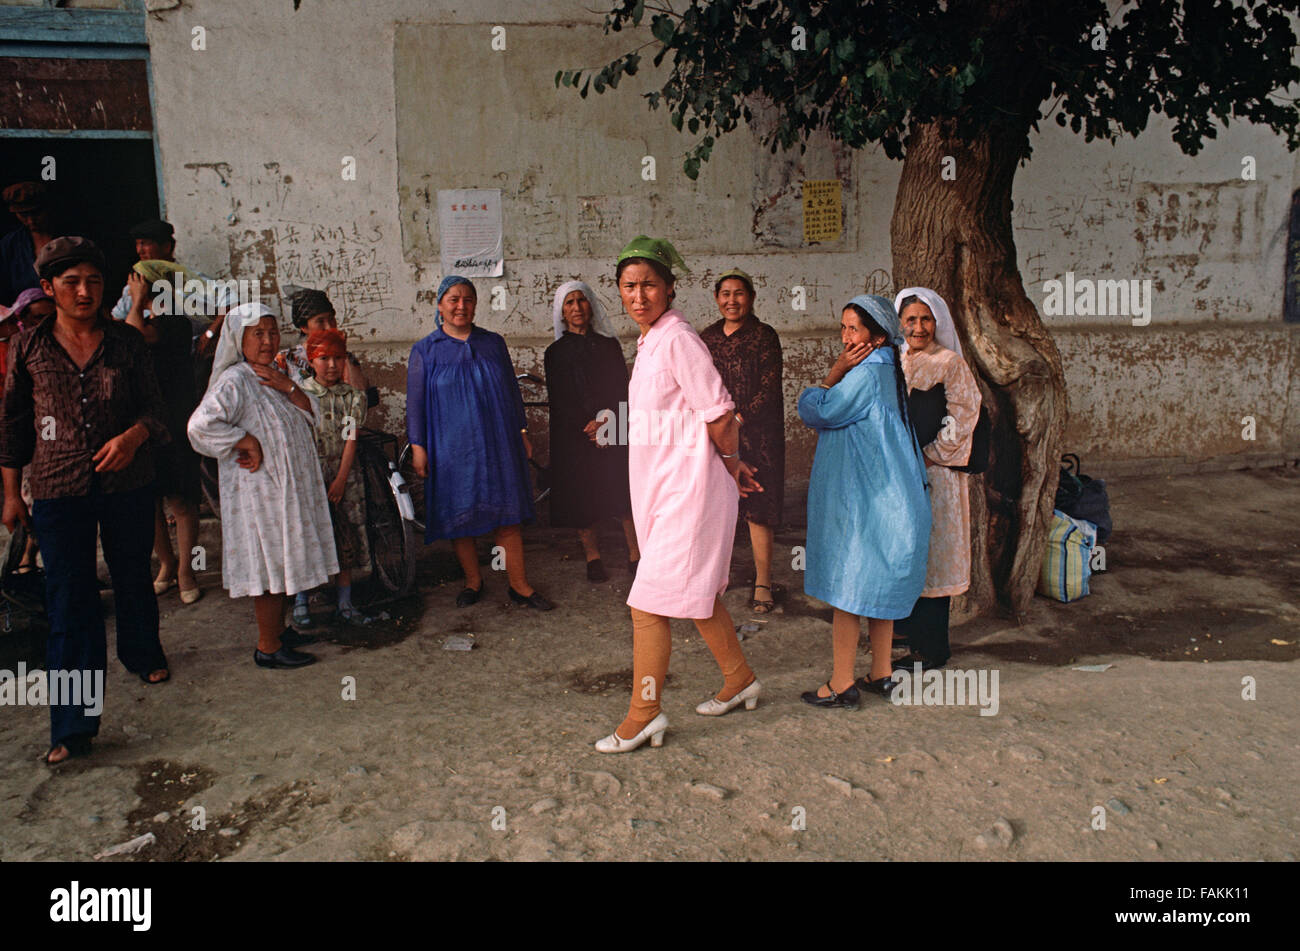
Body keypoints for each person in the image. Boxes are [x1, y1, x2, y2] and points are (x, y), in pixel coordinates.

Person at [0, 237, 170, 765]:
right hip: (57, 488)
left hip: (128, 484)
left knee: (132, 575)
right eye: (71, 282)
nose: (84, 291)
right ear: (48, 288)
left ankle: (141, 652)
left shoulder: (127, 343)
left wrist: (133, 438)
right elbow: (12, 425)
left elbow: (157, 412)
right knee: (70, 602)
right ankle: (73, 725)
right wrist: (11, 494)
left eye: (94, 281)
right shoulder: (28, 348)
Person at [595, 236, 763, 754]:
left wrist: (731, 466)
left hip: (688, 492)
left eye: (649, 284)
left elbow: (719, 414)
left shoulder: (679, 340)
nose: (638, 295)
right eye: (629, 286)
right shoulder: (650, 341)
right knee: (695, 595)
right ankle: (740, 680)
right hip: (665, 488)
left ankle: (644, 713)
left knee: (647, 603)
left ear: (670, 287)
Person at [796, 294, 931, 709]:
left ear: (875, 337)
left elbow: (817, 411)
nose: (845, 337)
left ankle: (841, 683)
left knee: (848, 589)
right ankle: (882, 672)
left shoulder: (862, 376)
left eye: (853, 329)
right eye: (842, 328)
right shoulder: (889, 370)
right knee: (877, 587)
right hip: (893, 499)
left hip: (866, 502)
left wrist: (832, 373)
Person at [187, 301, 339, 669]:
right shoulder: (235, 380)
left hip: (284, 494)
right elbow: (199, 427)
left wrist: (289, 387)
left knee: (283, 564)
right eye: (258, 333)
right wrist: (245, 441)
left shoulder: (272, 374)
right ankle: (268, 647)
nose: (268, 340)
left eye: (272, 332)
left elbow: (312, 416)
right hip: (261, 496)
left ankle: (279, 630)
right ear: (239, 338)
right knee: (269, 568)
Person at [406, 276, 553, 610]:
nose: (461, 306)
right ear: (439, 304)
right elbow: (415, 403)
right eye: (454, 299)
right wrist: (418, 446)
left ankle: (520, 585)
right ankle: (473, 581)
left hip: (497, 443)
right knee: (462, 516)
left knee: (508, 514)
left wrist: (523, 432)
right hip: (451, 448)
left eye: (468, 299)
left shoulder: (493, 343)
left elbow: (512, 394)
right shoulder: (425, 351)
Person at [893, 287, 982, 670]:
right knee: (906, 550)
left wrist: (930, 455)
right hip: (898, 475)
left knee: (935, 555)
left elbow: (964, 415)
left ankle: (932, 650)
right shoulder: (892, 360)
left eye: (925, 319)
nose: (918, 327)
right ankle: (905, 633)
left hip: (936, 477)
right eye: (910, 320)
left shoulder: (949, 364)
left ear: (937, 323)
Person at [700, 268, 786, 613]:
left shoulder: (765, 336)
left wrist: (737, 419)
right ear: (717, 299)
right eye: (725, 294)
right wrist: (717, 425)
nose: (731, 300)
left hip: (759, 433)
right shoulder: (707, 338)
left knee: (757, 506)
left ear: (750, 298)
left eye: (738, 294)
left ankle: (763, 581)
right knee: (714, 503)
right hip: (718, 433)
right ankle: (710, 578)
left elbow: (769, 387)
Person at [542, 281, 639, 582]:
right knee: (582, 497)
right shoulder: (555, 353)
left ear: (590, 306)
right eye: (569, 303)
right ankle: (593, 556)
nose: (576, 308)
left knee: (623, 492)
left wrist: (607, 423)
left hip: (612, 428)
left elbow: (622, 389)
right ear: (562, 312)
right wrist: (588, 428)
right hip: (576, 436)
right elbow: (560, 398)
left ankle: (636, 553)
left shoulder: (608, 345)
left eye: (581, 301)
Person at [123, 261, 205, 605]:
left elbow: (131, 337)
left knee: (181, 499)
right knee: (150, 498)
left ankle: (187, 568)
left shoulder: (172, 321)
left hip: (173, 418)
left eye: (138, 282)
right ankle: (167, 565)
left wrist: (137, 302)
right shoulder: (139, 319)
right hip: (141, 419)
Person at [295, 327, 372, 626]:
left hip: (346, 476)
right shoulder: (299, 394)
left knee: (346, 534)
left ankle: (345, 600)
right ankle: (302, 598)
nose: (330, 365)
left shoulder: (352, 397)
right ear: (310, 360)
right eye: (323, 358)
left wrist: (341, 479)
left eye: (337, 358)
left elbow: (350, 438)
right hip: (309, 477)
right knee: (308, 533)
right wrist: (316, 479)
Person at [275, 288, 368, 391]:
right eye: (320, 321)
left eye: (331, 319)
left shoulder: (345, 357)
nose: (329, 327)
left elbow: (361, 396)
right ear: (304, 327)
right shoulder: (286, 359)